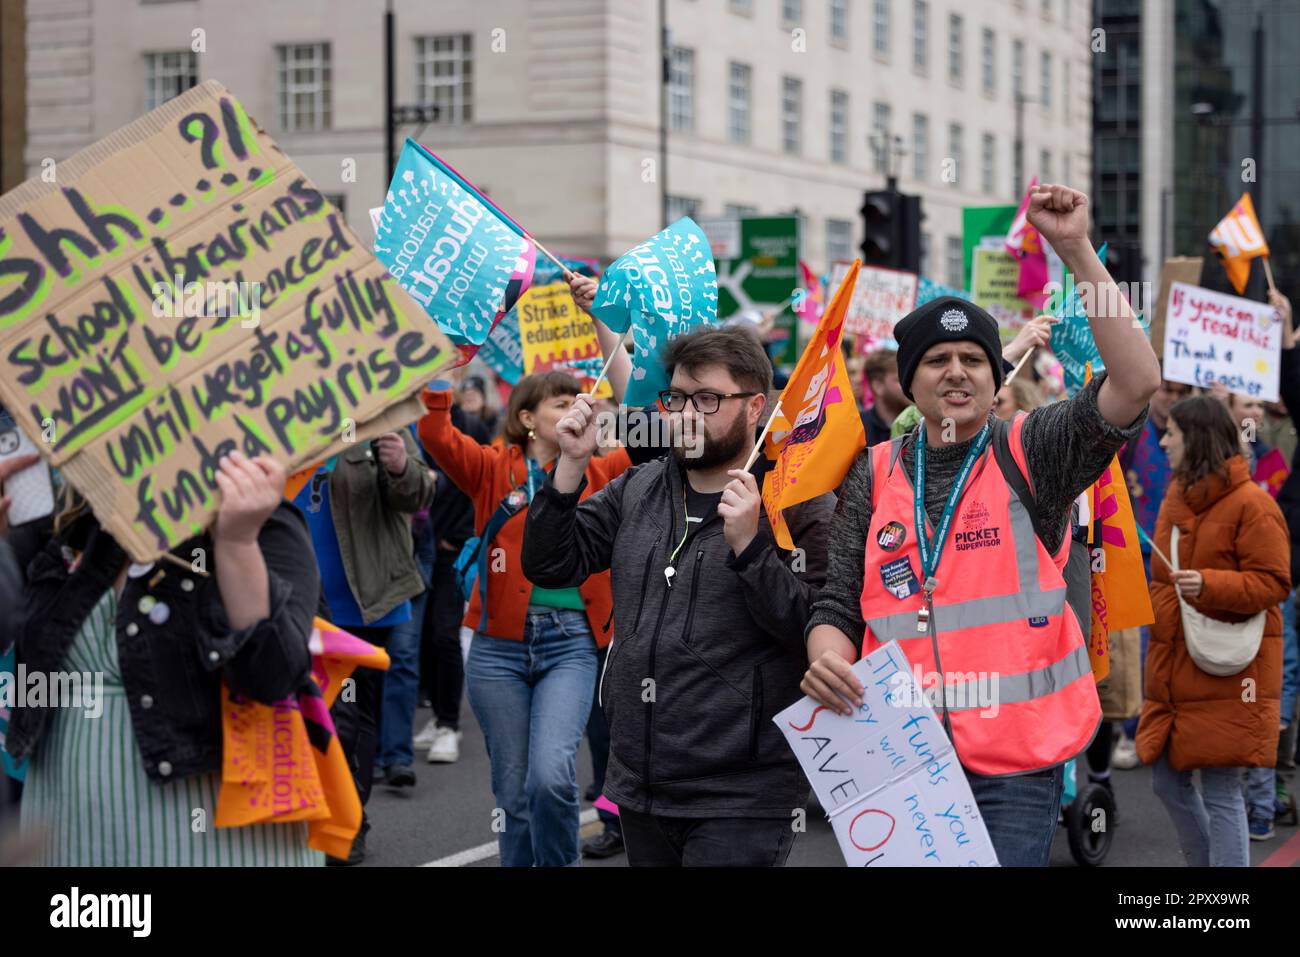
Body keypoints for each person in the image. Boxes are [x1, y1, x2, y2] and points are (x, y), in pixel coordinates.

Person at [801, 184, 1160, 867]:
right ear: (909, 383)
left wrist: (1077, 249)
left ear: (998, 380)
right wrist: (826, 654)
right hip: (899, 758)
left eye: (974, 360)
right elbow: (837, 601)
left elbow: (1138, 379)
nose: (957, 371)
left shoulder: (1033, 450)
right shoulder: (872, 471)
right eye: (938, 360)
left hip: (1013, 765)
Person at [522, 324, 836, 867]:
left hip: (741, 795)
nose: (686, 414)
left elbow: (821, 626)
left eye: (708, 399)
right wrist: (569, 466)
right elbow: (551, 565)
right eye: (676, 398)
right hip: (641, 782)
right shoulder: (639, 486)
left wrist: (751, 551)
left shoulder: (797, 502)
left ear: (755, 406)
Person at [9, 453, 323, 865]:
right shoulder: (65, 521)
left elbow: (273, 676)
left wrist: (237, 543)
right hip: (69, 825)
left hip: (209, 838)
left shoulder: (264, 522)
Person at [418, 367, 633, 867]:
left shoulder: (602, 470)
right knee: (514, 797)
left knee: (551, 779)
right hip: (497, 650)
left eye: (580, 401)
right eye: (561, 403)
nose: (577, 407)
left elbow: (661, 436)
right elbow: (433, 432)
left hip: (573, 645)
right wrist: (443, 370)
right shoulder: (492, 467)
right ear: (527, 419)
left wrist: (615, 334)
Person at [1136, 396, 1290, 865]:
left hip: (1229, 667)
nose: (1163, 441)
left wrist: (1208, 584)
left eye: (1173, 434)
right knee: (1166, 780)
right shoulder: (1177, 495)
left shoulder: (1253, 504)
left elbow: (1273, 582)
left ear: (1197, 439)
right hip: (1176, 661)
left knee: (1222, 790)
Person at [292, 429, 435, 864]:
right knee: (303, 715)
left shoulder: (376, 409)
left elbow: (418, 494)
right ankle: (310, 819)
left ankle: (348, 820)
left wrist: (399, 466)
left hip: (363, 604)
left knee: (349, 715)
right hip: (291, 599)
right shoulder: (270, 414)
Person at [1112, 371, 1195, 769]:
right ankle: (1132, 729)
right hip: (1139, 553)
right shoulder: (1136, 431)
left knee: (1180, 642)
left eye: (1184, 392)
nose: (1173, 399)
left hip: (1187, 555)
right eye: (1169, 390)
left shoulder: (1198, 439)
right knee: (1140, 643)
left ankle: (1175, 726)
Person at [415, 402, 492, 764]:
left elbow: (475, 481)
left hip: (448, 547)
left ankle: (449, 724)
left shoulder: (466, 422)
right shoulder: (402, 419)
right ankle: (435, 715)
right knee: (425, 636)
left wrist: (460, 536)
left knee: (446, 633)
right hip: (413, 549)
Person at [861, 348, 908, 446]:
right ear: (878, 386)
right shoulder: (859, 428)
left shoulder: (919, 422)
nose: (907, 384)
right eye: (899, 379)